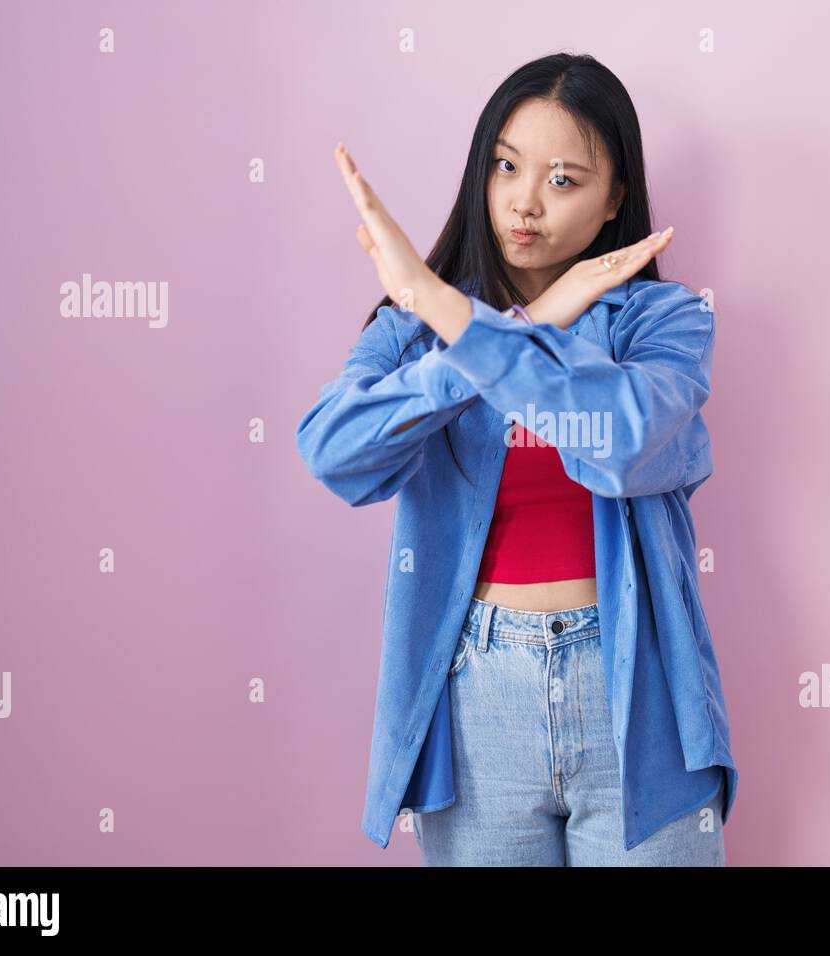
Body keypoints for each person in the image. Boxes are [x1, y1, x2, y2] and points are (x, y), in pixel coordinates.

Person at [297, 53, 737, 866]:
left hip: (634, 686)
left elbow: (624, 441)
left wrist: (464, 317)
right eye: (505, 166)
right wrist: (497, 323)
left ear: (615, 201)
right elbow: (333, 450)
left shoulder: (664, 323)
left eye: (564, 180)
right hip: (477, 695)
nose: (523, 202)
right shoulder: (413, 330)